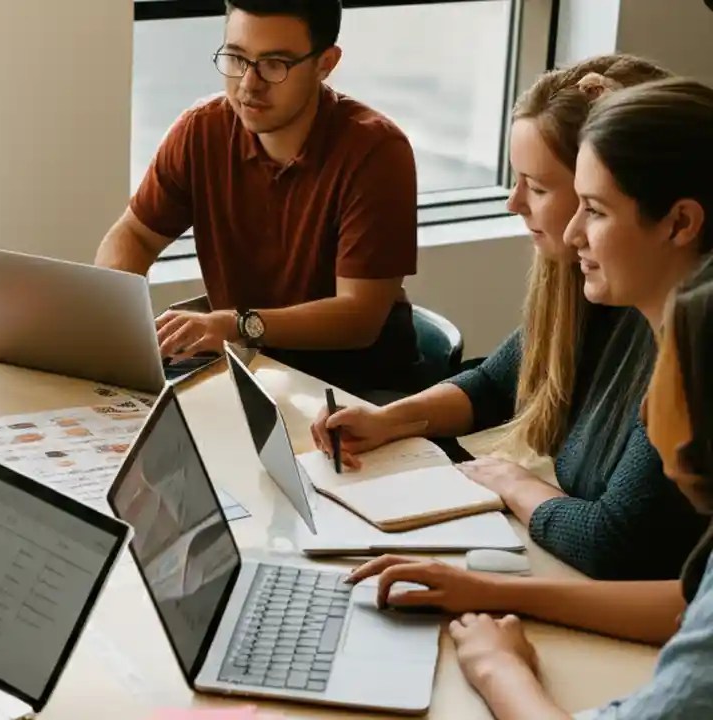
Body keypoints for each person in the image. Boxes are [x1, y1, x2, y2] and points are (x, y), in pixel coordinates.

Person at [346, 78, 713, 719]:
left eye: (590, 208)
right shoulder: (622, 304)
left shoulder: (688, 331)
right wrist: (477, 589)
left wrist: (498, 668)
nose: (570, 234)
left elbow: (618, 548)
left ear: (680, 223)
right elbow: (689, 600)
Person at [311, 57, 707, 581]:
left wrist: (510, 484)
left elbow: (619, 548)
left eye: (540, 187)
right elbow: (497, 382)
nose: (514, 202)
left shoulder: (682, 339)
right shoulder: (598, 293)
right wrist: (387, 420)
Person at [95, 0, 421, 398]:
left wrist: (235, 325)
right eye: (236, 57)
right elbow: (134, 236)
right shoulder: (201, 131)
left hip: (359, 390)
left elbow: (359, 316)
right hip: (249, 375)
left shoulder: (377, 151)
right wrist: (119, 325)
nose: (248, 84)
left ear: (326, 63)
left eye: (274, 64)